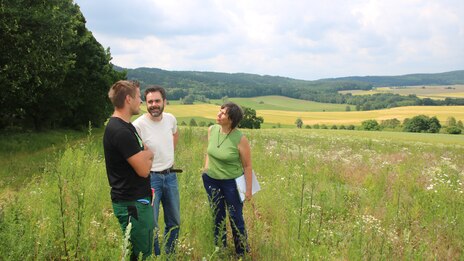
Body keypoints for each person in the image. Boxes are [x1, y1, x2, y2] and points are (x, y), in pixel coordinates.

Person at [103, 80, 155, 260]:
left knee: (137, 251)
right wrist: (149, 155)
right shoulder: (120, 131)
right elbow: (143, 170)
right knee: (141, 254)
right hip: (132, 204)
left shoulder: (127, 126)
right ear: (128, 99)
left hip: (136, 201)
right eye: (139, 97)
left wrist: (146, 154)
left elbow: (144, 154)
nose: (141, 101)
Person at [133, 86, 180, 255]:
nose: (154, 104)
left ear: (164, 102)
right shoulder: (137, 125)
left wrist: (169, 154)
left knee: (174, 221)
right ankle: (156, 256)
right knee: (151, 224)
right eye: (150, 101)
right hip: (150, 180)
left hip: (170, 176)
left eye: (157, 101)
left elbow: (175, 134)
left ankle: (170, 255)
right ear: (146, 103)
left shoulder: (170, 119)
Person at [202, 102, 252, 256]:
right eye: (220, 111)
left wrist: (248, 190)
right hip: (211, 180)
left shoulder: (240, 138)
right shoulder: (212, 129)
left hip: (232, 183)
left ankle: (241, 252)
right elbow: (209, 152)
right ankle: (220, 249)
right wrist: (205, 169)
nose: (218, 114)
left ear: (231, 119)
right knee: (217, 215)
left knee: (235, 217)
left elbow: (247, 166)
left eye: (223, 113)